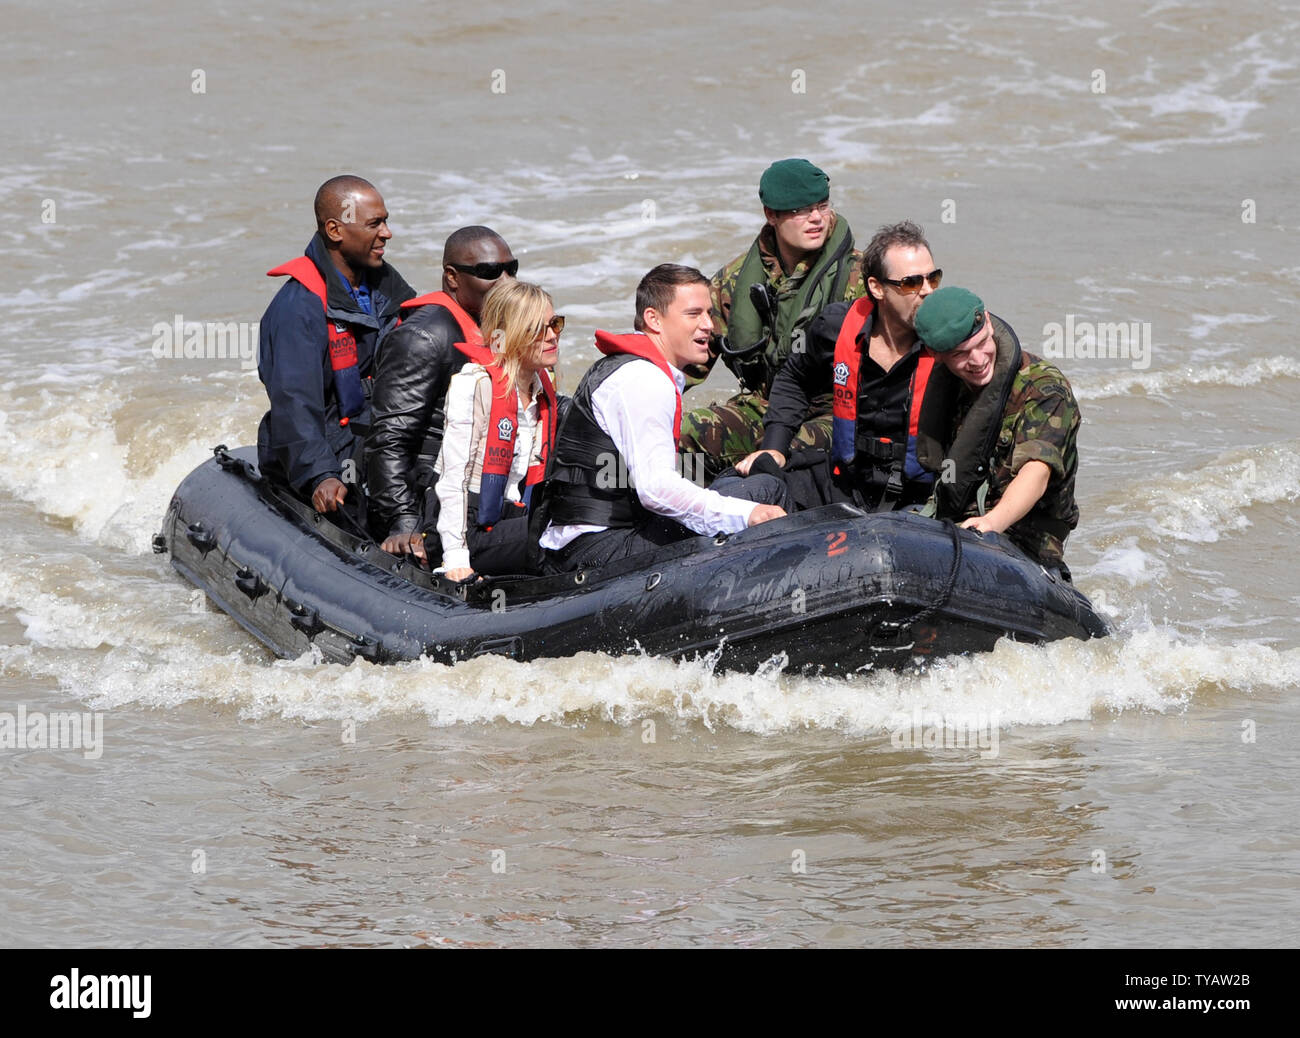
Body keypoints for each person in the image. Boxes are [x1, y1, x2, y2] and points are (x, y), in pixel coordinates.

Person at [540, 264, 788, 573]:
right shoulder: (644, 380)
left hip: (586, 536)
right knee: (763, 488)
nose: (708, 325)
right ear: (653, 319)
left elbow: (624, 473)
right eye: (693, 314)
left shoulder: (631, 367)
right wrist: (748, 514)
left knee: (735, 479)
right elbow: (655, 489)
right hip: (593, 549)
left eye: (709, 313)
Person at [678, 158, 866, 482]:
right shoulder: (732, 283)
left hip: (838, 412)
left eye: (822, 206)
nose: (817, 218)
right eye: (801, 210)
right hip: (763, 407)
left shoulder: (862, 278)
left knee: (778, 456)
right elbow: (685, 361)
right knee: (682, 433)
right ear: (771, 215)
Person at [736, 220, 942, 512]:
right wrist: (775, 445)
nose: (927, 291)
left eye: (933, 278)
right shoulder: (836, 325)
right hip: (845, 485)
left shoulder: (952, 343)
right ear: (877, 288)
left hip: (918, 499)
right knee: (751, 486)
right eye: (912, 282)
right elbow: (795, 378)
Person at [257, 175, 415, 523]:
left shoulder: (388, 290)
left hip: (378, 436)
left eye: (386, 221)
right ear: (335, 230)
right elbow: (294, 402)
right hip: (331, 451)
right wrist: (321, 474)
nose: (387, 233)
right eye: (375, 224)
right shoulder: (297, 309)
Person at [365, 226, 518, 555]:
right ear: (452, 277)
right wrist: (404, 521)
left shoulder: (492, 326)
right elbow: (389, 439)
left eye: (512, 269)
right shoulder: (422, 337)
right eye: (490, 272)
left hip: (482, 477)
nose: (507, 282)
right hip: (432, 496)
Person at [911, 286, 1081, 576]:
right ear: (936, 355)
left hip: (1025, 540)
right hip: (956, 524)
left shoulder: (1043, 389)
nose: (977, 360)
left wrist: (990, 524)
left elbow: (1036, 472)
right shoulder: (949, 386)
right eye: (961, 354)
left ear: (988, 322)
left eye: (981, 344)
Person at [432, 280, 560, 579]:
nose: (553, 335)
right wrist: (455, 557)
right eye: (538, 329)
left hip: (514, 514)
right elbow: (454, 479)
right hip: (469, 525)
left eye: (555, 324)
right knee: (562, 533)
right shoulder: (474, 385)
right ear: (506, 336)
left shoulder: (543, 387)